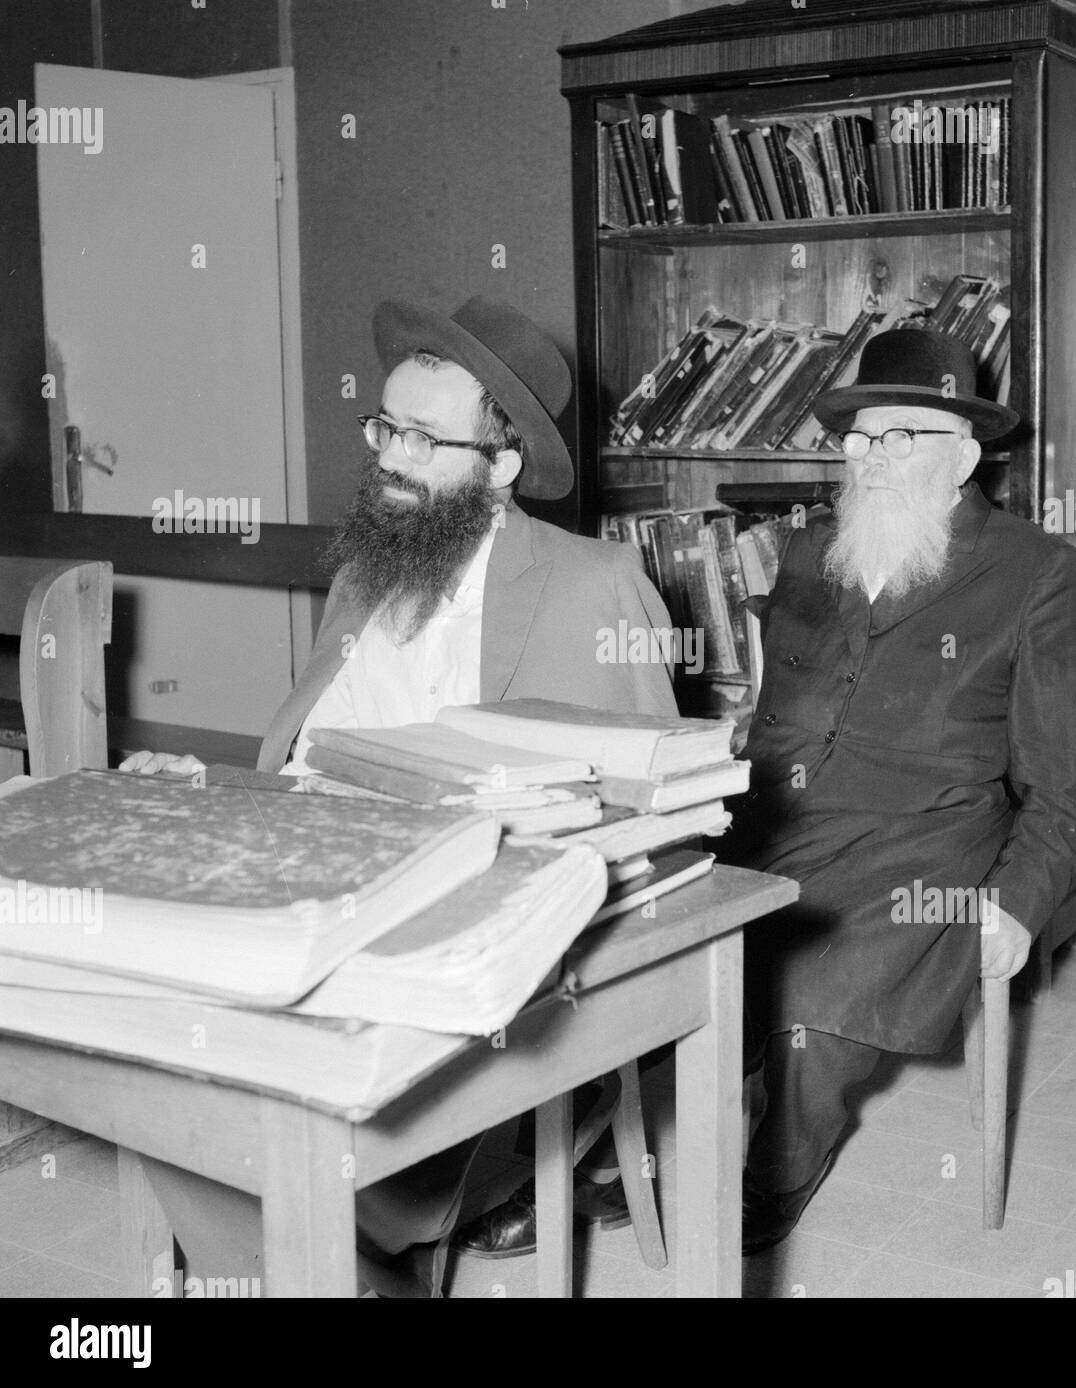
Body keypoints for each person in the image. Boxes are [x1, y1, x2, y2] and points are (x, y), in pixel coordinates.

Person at [123, 293, 675, 1292]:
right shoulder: (367, 570)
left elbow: (651, 821)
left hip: (468, 934)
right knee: (151, 1062)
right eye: (385, 426)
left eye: (425, 439)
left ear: (503, 465)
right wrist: (210, 787)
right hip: (318, 888)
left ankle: (373, 1227)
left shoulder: (593, 587)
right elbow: (321, 763)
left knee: (271, 1117)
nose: (390, 459)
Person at [726, 327, 1076, 1255]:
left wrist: (1017, 905)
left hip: (926, 844)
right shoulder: (811, 553)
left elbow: (1062, 789)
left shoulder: (1040, 572)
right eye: (857, 438)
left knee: (812, 989)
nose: (870, 458)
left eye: (900, 437)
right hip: (778, 821)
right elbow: (772, 720)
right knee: (649, 944)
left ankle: (776, 1163)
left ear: (964, 456)